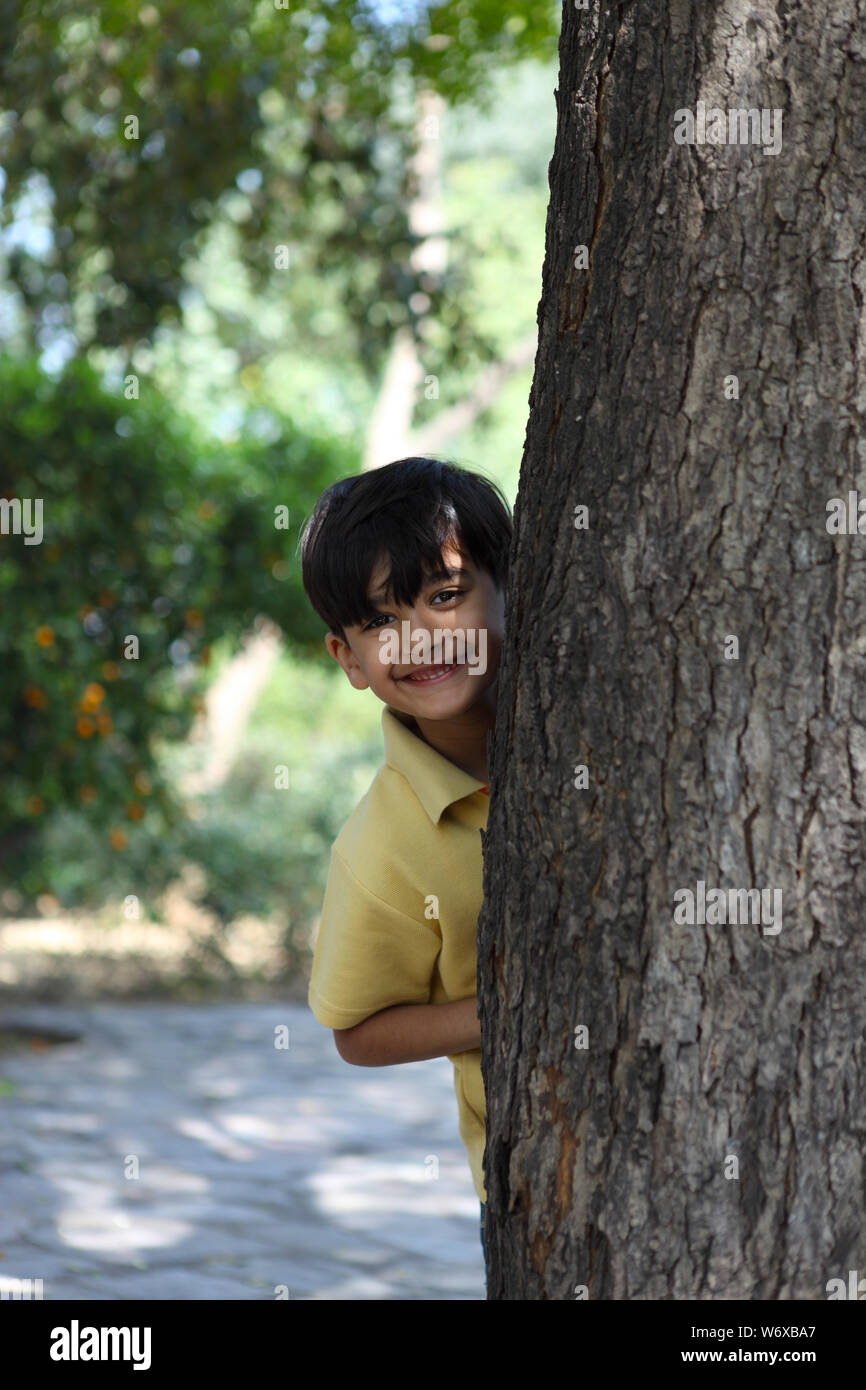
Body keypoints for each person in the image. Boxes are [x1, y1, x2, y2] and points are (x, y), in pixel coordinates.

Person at [299, 455, 512, 1283]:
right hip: (536, 1165)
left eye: (444, 595)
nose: (419, 638)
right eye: (381, 621)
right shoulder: (380, 847)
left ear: (513, 588)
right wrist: (503, 1013)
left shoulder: (610, 714)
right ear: (348, 659)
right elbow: (357, 1031)